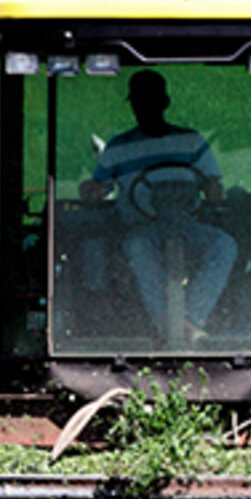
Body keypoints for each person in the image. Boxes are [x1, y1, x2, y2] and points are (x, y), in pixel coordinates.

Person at [82, 69, 240, 341]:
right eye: (139, 102)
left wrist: (213, 190)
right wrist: (91, 190)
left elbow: (212, 187)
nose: (144, 108)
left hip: (188, 226)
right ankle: (169, 326)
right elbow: (99, 190)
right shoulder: (118, 147)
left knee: (224, 245)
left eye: (150, 100)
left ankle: (187, 319)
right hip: (142, 229)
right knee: (138, 247)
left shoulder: (191, 141)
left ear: (164, 102)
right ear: (132, 105)